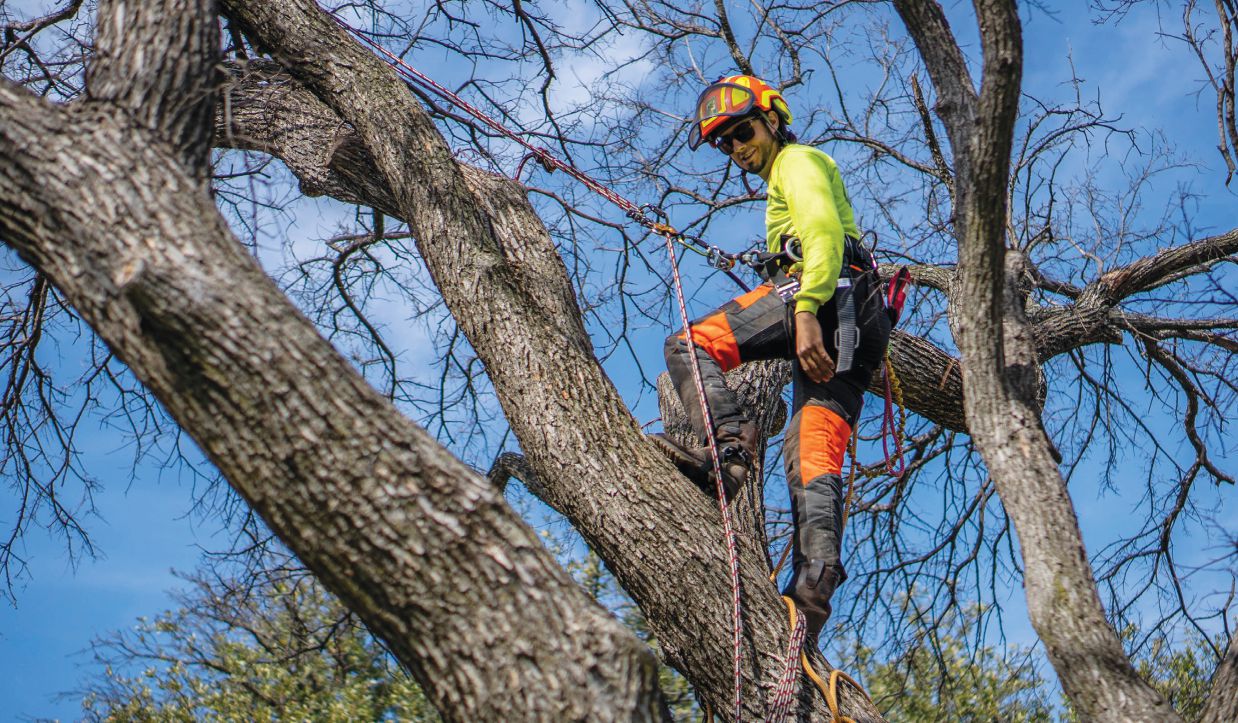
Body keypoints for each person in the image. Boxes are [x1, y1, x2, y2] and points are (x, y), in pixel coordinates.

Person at [649, 75, 891, 642]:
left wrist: (805, 310)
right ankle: (810, 595)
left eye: (743, 132)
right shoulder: (787, 172)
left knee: (688, 345)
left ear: (773, 121)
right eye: (725, 143)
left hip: (826, 294)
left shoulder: (796, 162)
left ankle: (728, 450)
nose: (737, 148)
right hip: (861, 323)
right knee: (812, 453)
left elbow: (823, 234)